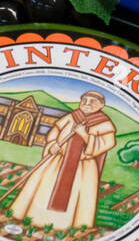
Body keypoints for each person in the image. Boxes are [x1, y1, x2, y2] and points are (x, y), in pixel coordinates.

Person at [9, 91, 116, 233]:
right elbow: (56, 130)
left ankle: (65, 226)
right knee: (44, 186)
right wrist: (52, 143)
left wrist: (84, 134)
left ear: (101, 105)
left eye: (92, 101)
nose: (87, 104)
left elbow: (106, 144)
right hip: (57, 160)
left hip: (82, 167)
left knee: (76, 194)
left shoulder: (104, 124)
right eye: (84, 100)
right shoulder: (72, 116)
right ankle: (33, 218)